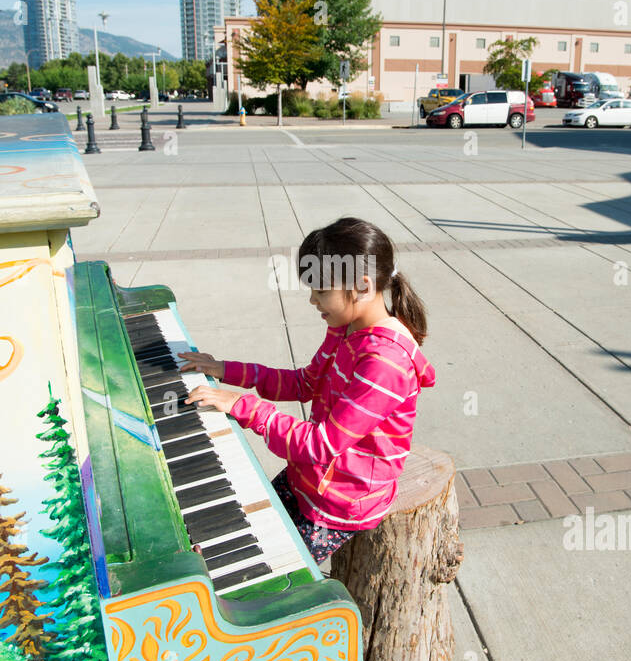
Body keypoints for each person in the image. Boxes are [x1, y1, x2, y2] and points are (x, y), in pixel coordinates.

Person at [178, 217, 437, 564]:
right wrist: (226, 370)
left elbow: (323, 444)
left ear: (360, 286)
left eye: (321, 290)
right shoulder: (346, 329)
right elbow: (305, 384)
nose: (313, 300)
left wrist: (245, 407)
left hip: (340, 502)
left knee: (259, 576)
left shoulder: (385, 363)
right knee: (220, 537)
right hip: (310, 478)